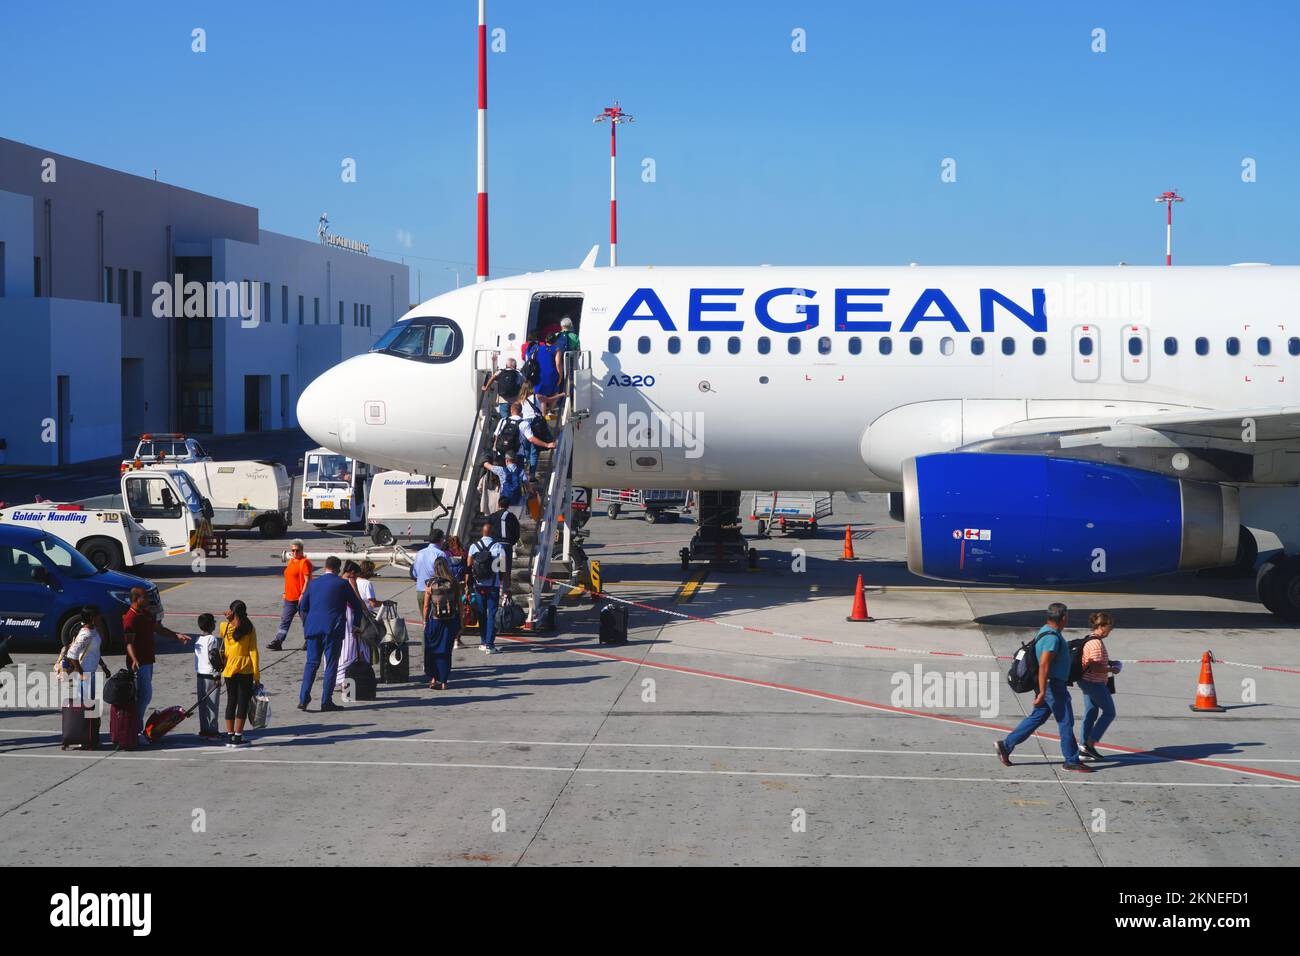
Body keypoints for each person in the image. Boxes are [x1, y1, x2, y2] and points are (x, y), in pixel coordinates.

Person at [996, 603, 1091, 773]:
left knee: (1037, 717)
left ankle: (1006, 745)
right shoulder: (1052, 638)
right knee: (1066, 721)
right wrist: (1041, 692)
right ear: (1063, 618)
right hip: (1052, 686)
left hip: (1050, 685)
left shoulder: (1045, 630)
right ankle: (1071, 760)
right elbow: (1044, 665)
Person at [297, 556, 369, 712]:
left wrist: (307, 623)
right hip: (333, 630)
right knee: (331, 665)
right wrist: (356, 625)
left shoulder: (313, 583)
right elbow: (356, 606)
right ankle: (326, 701)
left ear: (325, 567)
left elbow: (302, 607)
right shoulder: (342, 584)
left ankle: (303, 698)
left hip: (313, 629)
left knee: (311, 663)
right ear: (337, 569)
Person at [122, 588, 191, 744]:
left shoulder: (145, 614)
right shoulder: (130, 618)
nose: (147, 600)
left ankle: (137, 730)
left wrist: (176, 635)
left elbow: (158, 629)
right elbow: (129, 642)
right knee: (144, 696)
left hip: (148, 660)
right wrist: (133, 659)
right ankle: (136, 730)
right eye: (145, 597)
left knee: (143, 696)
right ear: (136, 599)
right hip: (139, 663)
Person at [58, 607, 112, 750]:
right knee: (85, 707)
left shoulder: (93, 631)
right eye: (98, 616)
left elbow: (93, 652)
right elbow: (72, 654)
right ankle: (84, 738)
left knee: (90, 706)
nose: (100, 618)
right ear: (92, 618)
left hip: (91, 673)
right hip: (85, 676)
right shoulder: (85, 634)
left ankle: (89, 737)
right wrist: (81, 673)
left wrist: (103, 666)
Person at [1078, 611, 1122, 760]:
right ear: (1102, 626)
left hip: (1086, 681)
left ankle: (1083, 747)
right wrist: (1112, 669)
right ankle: (1089, 744)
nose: (1111, 629)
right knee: (1110, 712)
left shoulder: (1090, 639)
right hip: (1094, 682)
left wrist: (1108, 663)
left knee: (1091, 711)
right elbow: (1095, 666)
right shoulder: (1096, 643)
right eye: (1110, 626)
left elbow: (1095, 662)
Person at [219, 600, 260, 747]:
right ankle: (238, 736)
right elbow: (253, 651)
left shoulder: (225, 627)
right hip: (245, 668)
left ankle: (229, 735)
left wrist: (228, 620)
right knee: (242, 702)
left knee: (231, 700)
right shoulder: (249, 628)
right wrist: (256, 674)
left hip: (229, 668)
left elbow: (225, 633)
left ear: (231, 611)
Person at [422, 549, 461, 690]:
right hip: (450, 621)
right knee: (446, 651)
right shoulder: (453, 582)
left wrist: (425, 621)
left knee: (432, 650)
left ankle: (433, 679)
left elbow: (426, 606)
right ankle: (444, 681)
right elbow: (459, 604)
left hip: (435, 621)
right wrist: (460, 622)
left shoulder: (431, 584)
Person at [467, 521, 507, 655]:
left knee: (481, 613)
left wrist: (468, 585)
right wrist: (500, 581)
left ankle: (483, 642)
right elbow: (502, 568)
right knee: (492, 613)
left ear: (482, 533)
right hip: (493, 586)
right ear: (492, 533)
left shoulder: (474, 547)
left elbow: (469, 566)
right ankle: (490, 645)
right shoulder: (498, 547)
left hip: (479, 586)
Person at [269, 539, 313, 650]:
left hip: (301, 598)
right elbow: (289, 579)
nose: (294, 553)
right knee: (285, 620)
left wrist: (303, 594)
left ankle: (309, 641)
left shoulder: (304, 562)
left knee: (306, 621)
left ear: (302, 550)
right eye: (292, 550)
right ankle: (278, 641)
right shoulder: (291, 561)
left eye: (297, 550)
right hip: (289, 598)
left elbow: (307, 580)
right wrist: (285, 592)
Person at [193, 613, 223, 738]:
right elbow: (214, 658)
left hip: (200, 675)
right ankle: (213, 730)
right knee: (213, 704)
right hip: (210, 676)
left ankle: (204, 728)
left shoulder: (198, 640)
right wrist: (217, 675)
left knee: (203, 704)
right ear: (212, 625)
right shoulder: (212, 639)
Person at [410, 529, 450, 621]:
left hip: (420, 591)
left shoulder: (419, 553)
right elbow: (446, 574)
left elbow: (415, 574)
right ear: (441, 540)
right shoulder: (441, 554)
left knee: (425, 621)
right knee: (437, 621)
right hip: (435, 592)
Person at [482, 453, 530, 520]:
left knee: (504, 521)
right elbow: (528, 487)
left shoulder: (501, 470)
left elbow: (486, 465)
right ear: (516, 460)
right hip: (518, 502)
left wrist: (487, 456)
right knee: (515, 522)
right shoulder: (521, 471)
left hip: (504, 503)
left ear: (506, 461)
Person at [486, 496, 522, 579]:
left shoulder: (492, 516)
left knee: (496, 567)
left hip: (495, 545)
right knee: (506, 568)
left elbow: (487, 530)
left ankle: (496, 586)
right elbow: (517, 532)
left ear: (498, 505)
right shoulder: (512, 517)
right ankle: (505, 588)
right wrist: (512, 542)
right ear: (508, 506)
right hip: (507, 545)